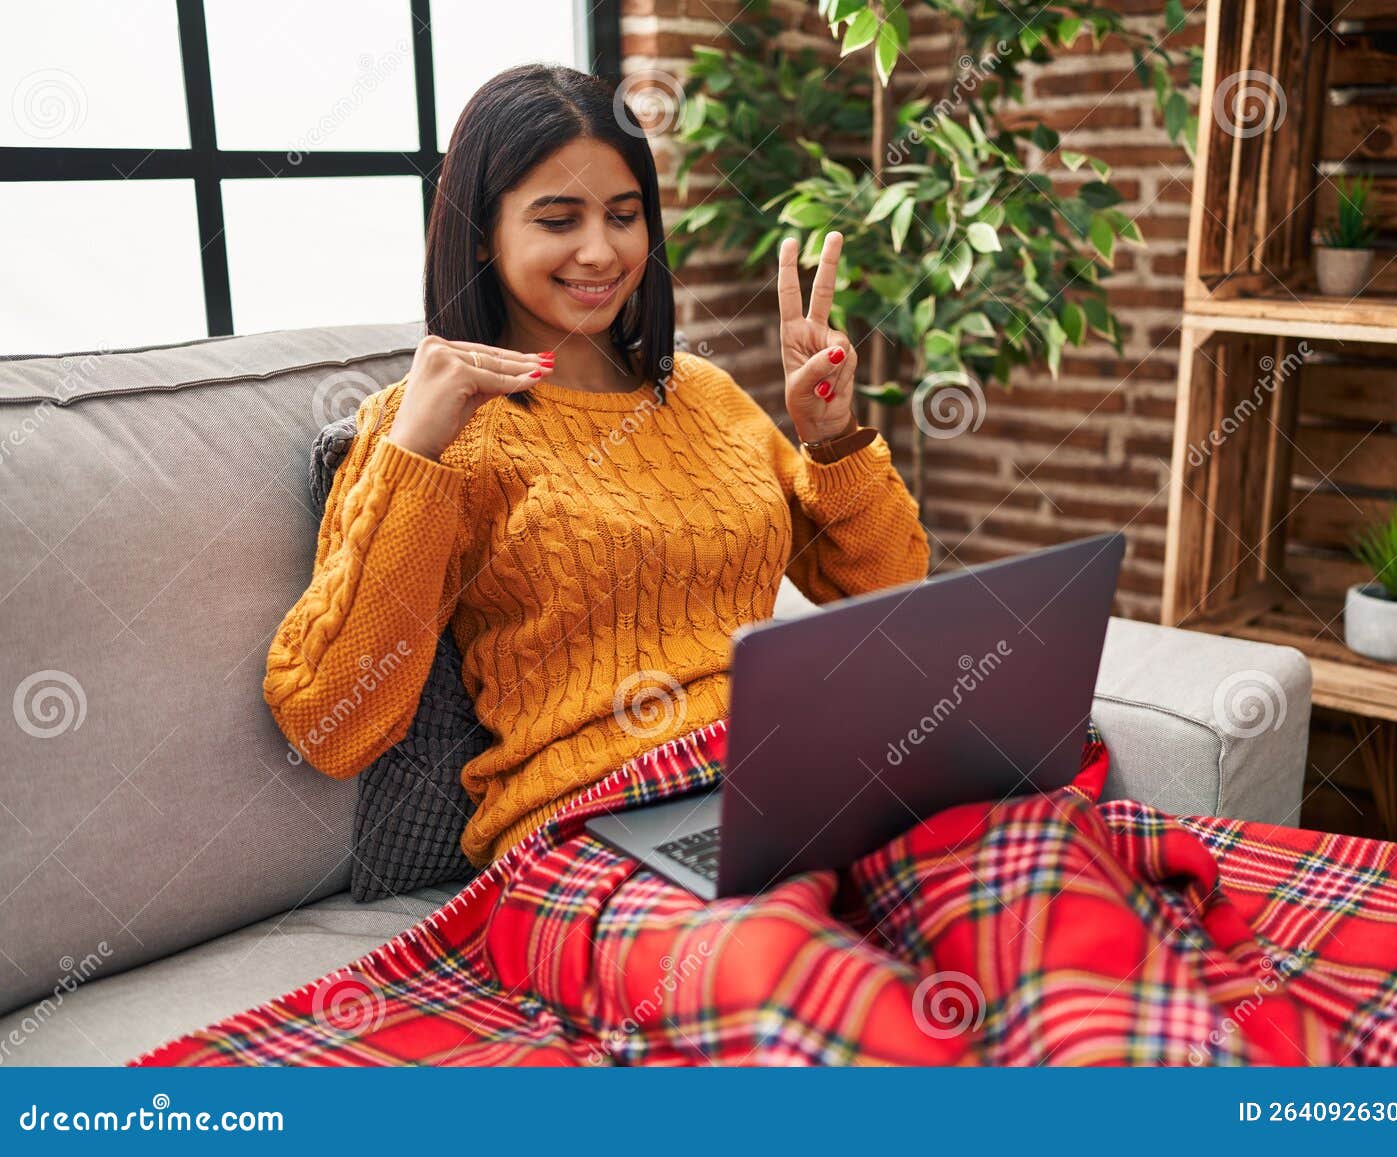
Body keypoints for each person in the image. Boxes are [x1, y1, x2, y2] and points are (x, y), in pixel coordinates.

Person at [263, 63, 928, 869]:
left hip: (781, 778)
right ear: (482, 231)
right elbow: (330, 721)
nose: (600, 250)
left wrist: (831, 437)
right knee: (793, 965)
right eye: (557, 218)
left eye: (623, 215)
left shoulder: (704, 396)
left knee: (1038, 856)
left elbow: (893, 603)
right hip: (589, 834)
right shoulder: (430, 427)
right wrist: (413, 455)